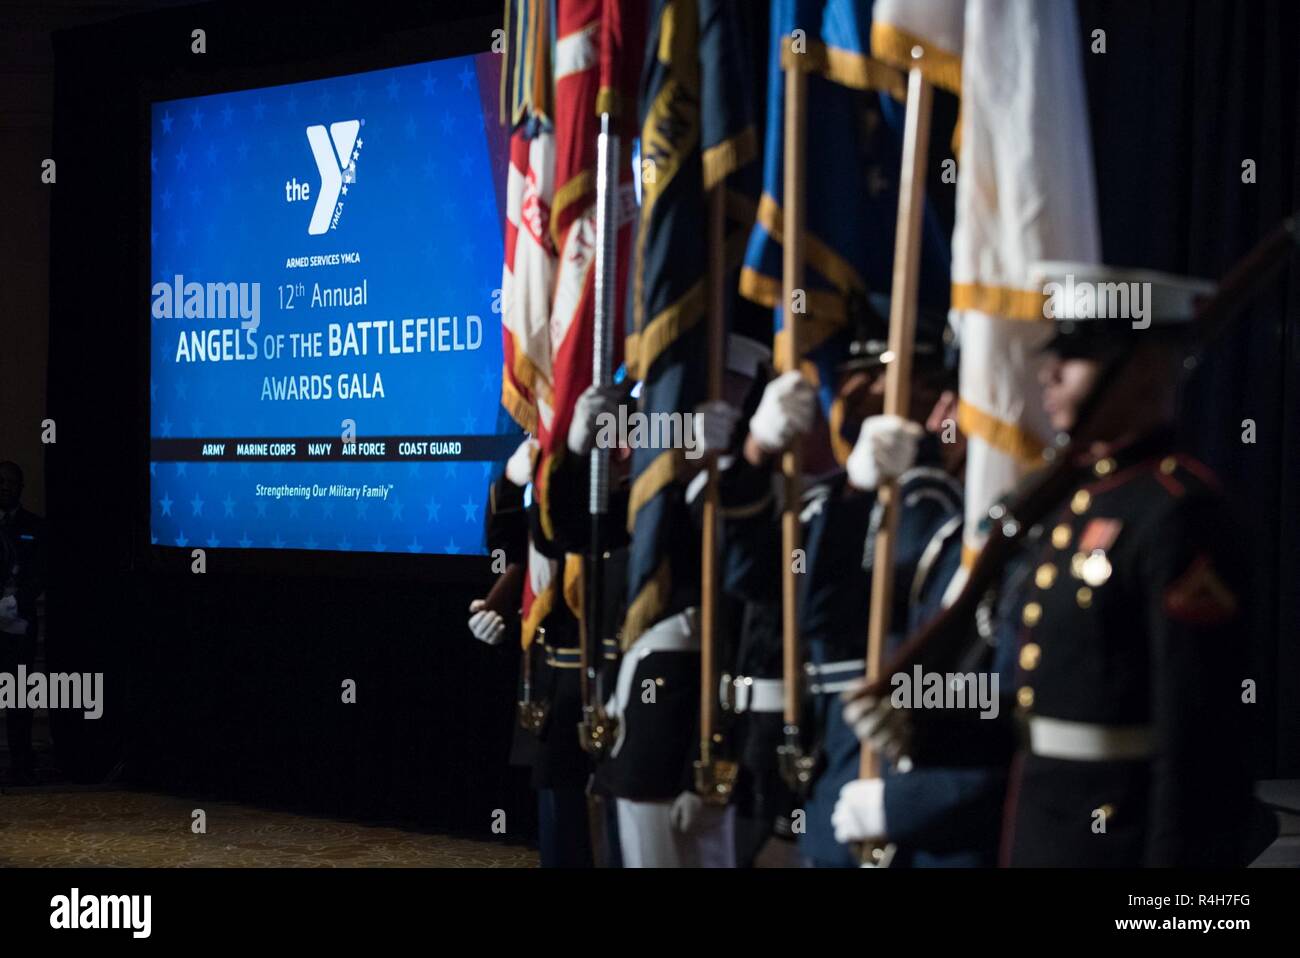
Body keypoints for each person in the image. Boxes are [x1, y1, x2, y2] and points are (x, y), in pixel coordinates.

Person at [844, 266, 1263, 866]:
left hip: (1122, 843)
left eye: (1079, 356)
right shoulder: (1069, 506)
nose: (1049, 371)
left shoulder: (1179, 517)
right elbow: (1044, 711)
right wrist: (928, 727)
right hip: (1043, 835)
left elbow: (1199, 745)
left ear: (1144, 367)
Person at [0, 460, 47, 785]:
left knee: (18, 696)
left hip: (20, 624)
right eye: (0, 481)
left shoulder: (36, 526)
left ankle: (21, 764)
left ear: (20, 487)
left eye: (11, 482)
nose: (5, 486)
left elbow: (43, 571)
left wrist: (19, 600)